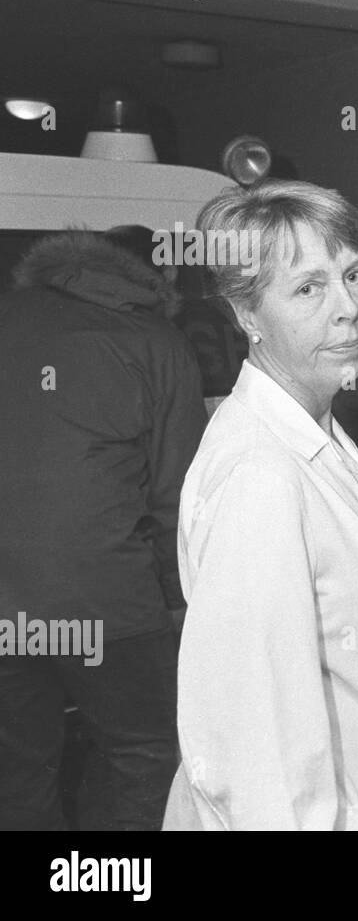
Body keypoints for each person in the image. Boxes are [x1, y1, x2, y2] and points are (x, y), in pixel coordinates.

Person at [163, 180, 358, 830]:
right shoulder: (261, 476)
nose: (350, 310)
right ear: (248, 315)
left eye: (354, 276)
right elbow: (254, 752)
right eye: (309, 287)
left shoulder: (317, 431)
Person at [0, 228, 206, 830]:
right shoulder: (157, 343)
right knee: (141, 754)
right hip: (105, 600)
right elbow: (177, 498)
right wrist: (179, 603)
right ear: (156, 280)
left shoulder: (9, 316)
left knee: (19, 768)